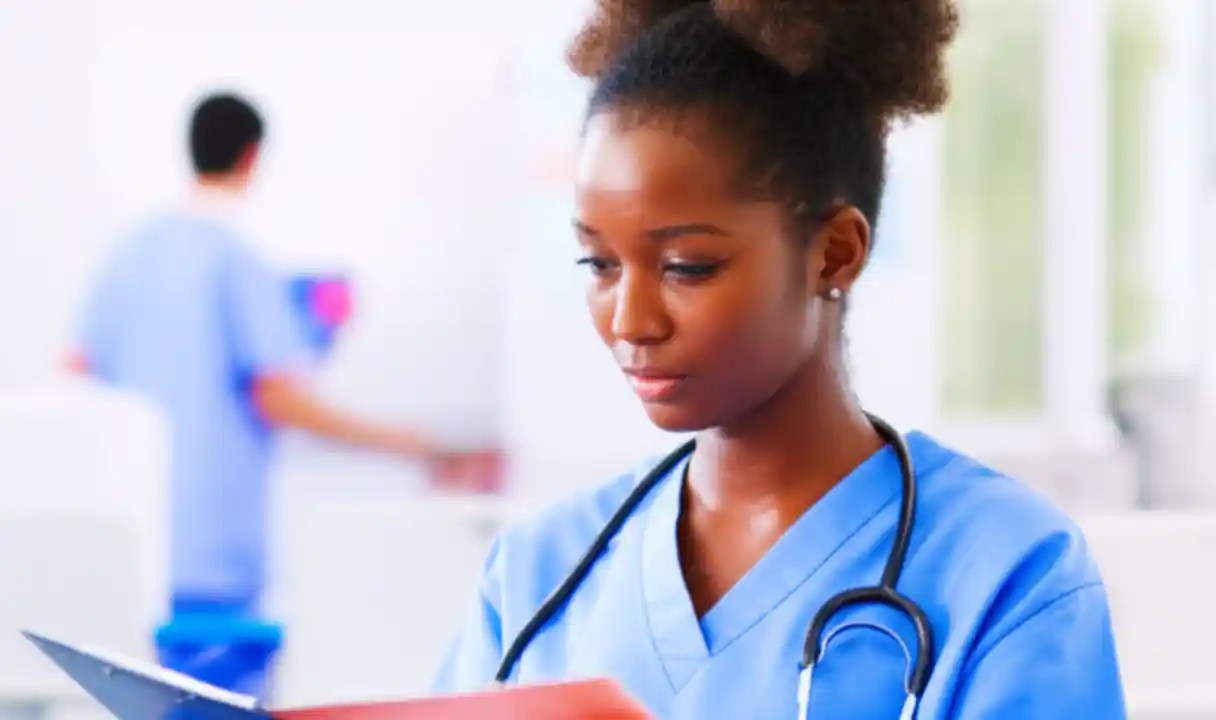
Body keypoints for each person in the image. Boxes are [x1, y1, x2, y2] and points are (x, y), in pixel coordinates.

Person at [433, 1, 1126, 717]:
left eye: (687, 266)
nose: (630, 321)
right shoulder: (535, 578)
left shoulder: (1006, 574)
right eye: (599, 263)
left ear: (835, 252)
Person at [72, 92, 466, 694]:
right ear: (253, 156)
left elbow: (78, 373)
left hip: (134, 551)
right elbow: (280, 398)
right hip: (215, 565)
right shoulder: (236, 260)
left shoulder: (129, 254)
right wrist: (415, 445)